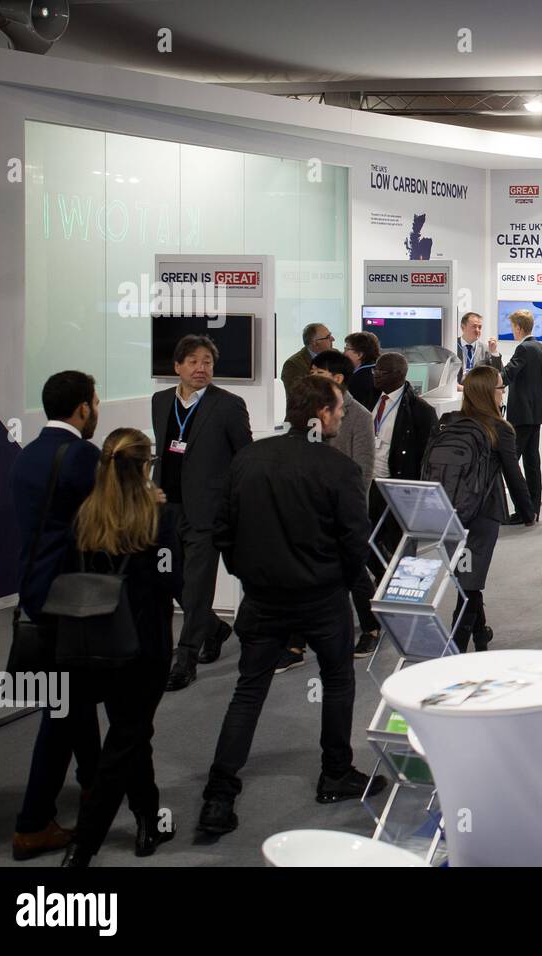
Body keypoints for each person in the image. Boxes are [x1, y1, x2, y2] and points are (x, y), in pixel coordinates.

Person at [200, 377, 385, 836]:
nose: (342, 418)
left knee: (248, 691)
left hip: (262, 599)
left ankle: (218, 795)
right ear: (321, 414)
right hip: (322, 600)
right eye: (339, 410)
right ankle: (335, 772)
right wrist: (336, 580)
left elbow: (222, 531)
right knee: (339, 682)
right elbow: (355, 544)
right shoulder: (338, 470)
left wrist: (249, 573)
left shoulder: (248, 459)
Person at [60, 428, 182, 867]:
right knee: (125, 741)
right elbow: (173, 582)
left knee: (133, 734)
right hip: (145, 648)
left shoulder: (86, 516)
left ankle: (148, 819)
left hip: (97, 642)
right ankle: (84, 847)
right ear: (145, 467)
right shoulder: (159, 519)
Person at [9, 371, 103, 862]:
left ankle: (95, 788)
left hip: (36, 595)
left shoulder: (26, 455)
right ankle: (31, 823)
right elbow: (110, 523)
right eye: (95, 400)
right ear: (83, 409)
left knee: (74, 699)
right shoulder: (84, 458)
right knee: (63, 712)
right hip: (73, 599)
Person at [152, 335, 252, 691]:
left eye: (207, 361)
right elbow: (165, 451)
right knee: (171, 579)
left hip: (208, 512)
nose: (201, 368)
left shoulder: (228, 405)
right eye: (193, 361)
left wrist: (234, 505)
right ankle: (213, 628)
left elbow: (246, 458)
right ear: (177, 367)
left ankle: (185, 659)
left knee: (196, 586)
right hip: (167, 509)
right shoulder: (160, 401)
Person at [438, 366, 537, 652]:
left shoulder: (448, 421)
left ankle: (480, 634)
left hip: (450, 512)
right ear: (486, 392)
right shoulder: (499, 428)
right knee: (469, 583)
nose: (503, 391)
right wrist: (527, 511)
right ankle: (456, 648)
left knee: (467, 574)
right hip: (483, 514)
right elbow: (512, 473)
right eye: (499, 387)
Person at [304, 349, 380, 663]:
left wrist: (349, 509)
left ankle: (371, 626)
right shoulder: (307, 410)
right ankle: (296, 643)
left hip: (344, 508)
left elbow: (363, 469)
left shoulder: (359, 415)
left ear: (337, 379)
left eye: (318, 374)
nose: (311, 378)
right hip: (311, 504)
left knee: (354, 571)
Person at [368, 351, 438, 582]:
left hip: (400, 486)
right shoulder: (369, 400)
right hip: (370, 484)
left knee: (402, 545)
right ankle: (382, 582)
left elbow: (427, 456)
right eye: (375, 370)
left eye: (382, 371)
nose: (376, 375)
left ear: (398, 375)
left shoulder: (420, 411)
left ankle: (404, 595)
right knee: (368, 541)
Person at [501, 308, 542, 523]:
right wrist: (535, 402)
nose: (512, 331)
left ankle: (524, 510)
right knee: (532, 463)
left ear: (519, 327)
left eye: (513, 327)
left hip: (520, 416)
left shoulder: (523, 349)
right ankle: (533, 511)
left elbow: (506, 376)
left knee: (510, 462)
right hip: (535, 415)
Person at [281, 323, 335, 397]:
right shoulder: (293, 365)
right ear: (315, 343)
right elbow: (297, 398)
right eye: (328, 337)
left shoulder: (336, 354)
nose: (333, 339)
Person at [455, 311, 502, 385]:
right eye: (474, 326)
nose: (477, 330)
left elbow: (498, 373)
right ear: (463, 327)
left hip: (478, 393)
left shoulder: (486, 349)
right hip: (456, 393)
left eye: (479, 327)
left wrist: (494, 352)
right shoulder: (452, 345)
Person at [343, 331, 382, 410]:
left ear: (359, 354)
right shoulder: (376, 370)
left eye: (347, 349)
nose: (343, 353)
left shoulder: (359, 379)